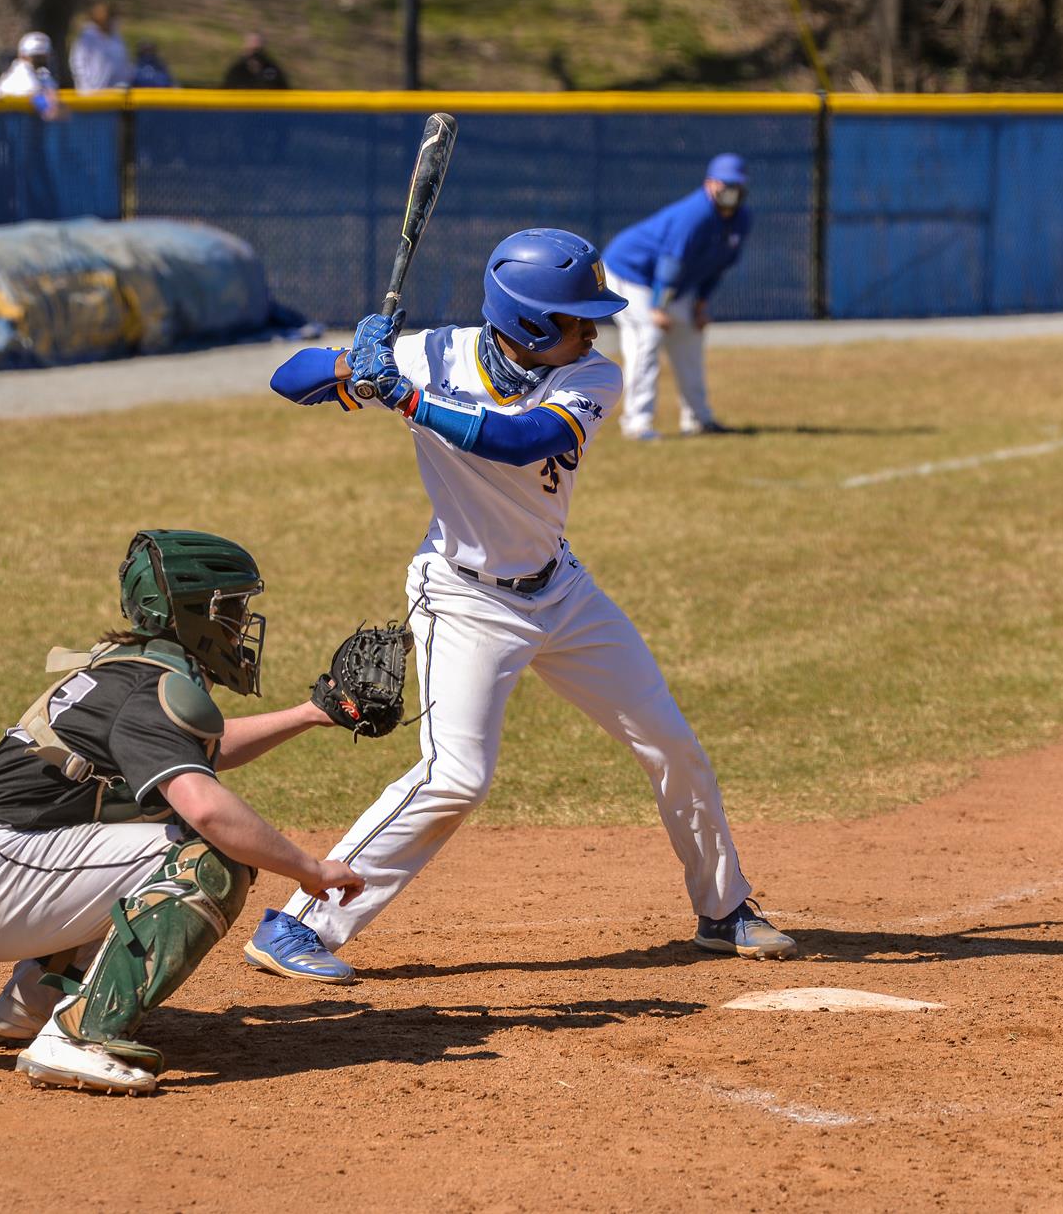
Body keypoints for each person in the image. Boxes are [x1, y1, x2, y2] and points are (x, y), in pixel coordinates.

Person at [246, 228, 796, 984]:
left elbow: (518, 437)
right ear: (533, 325)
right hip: (463, 598)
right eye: (578, 317)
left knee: (670, 740)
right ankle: (297, 925)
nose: (594, 329)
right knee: (455, 778)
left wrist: (404, 394)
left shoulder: (592, 377)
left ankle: (724, 908)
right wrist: (349, 363)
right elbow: (287, 376)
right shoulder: (433, 354)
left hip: (562, 591)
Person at [0, 530, 366, 1095]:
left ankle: (36, 1001)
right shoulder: (151, 688)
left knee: (153, 829)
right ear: (191, 613)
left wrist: (308, 714)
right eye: (232, 608)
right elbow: (207, 809)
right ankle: (80, 1037)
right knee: (210, 854)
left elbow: (202, 753)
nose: (240, 624)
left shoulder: (131, 671)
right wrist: (311, 869)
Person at [601, 153, 754, 440]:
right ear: (710, 184)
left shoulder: (742, 219)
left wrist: (700, 304)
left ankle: (698, 420)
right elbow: (670, 264)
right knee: (648, 335)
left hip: (677, 284)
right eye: (726, 184)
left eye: (737, 185)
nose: (731, 191)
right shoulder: (695, 214)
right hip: (631, 273)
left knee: (690, 337)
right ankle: (637, 423)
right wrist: (658, 307)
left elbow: (719, 265)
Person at [0, 31, 65, 119]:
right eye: (37, 57)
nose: (42, 59)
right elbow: (52, 112)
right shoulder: (20, 74)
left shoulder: (42, 74)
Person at [70, 2, 135, 94]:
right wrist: (85, 85)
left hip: (116, 90)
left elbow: (124, 61)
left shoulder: (116, 37)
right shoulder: (88, 36)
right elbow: (77, 62)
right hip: (92, 90)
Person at [221, 31, 290, 89]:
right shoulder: (236, 70)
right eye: (252, 50)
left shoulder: (272, 70)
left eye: (258, 51)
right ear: (245, 49)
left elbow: (285, 91)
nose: (255, 55)